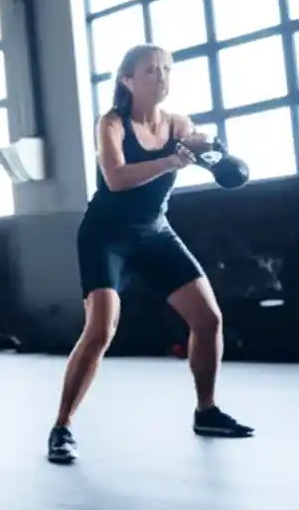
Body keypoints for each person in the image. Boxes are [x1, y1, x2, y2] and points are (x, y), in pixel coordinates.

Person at [47, 43, 254, 465]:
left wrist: (213, 153)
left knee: (208, 318)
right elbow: (117, 178)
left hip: (155, 234)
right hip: (106, 235)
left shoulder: (180, 125)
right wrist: (169, 162)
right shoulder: (111, 123)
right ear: (128, 80)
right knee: (101, 329)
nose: (161, 78)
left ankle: (207, 411)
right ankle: (62, 427)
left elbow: (208, 156)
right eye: (150, 71)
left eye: (166, 70)